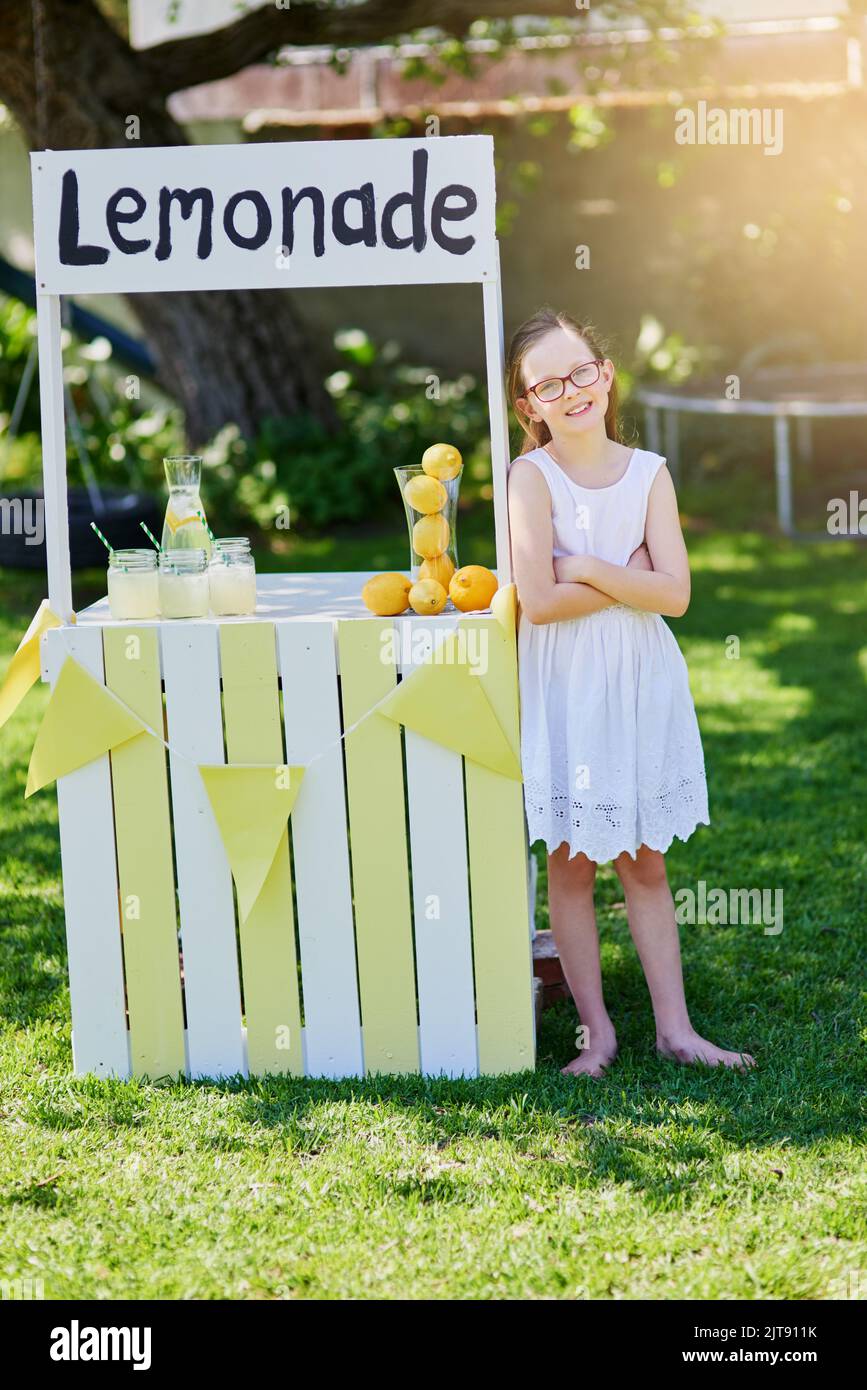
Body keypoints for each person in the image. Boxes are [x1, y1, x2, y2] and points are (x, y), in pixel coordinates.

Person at [506, 307, 756, 1078]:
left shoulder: (647, 473)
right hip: (566, 683)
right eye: (548, 383)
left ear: (605, 374)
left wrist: (579, 565)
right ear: (530, 407)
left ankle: (674, 1030)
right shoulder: (530, 477)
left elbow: (675, 594)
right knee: (572, 860)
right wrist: (625, 573)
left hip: (637, 681)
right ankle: (596, 1031)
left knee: (645, 861)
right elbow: (539, 603)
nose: (570, 390)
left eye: (580, 371)